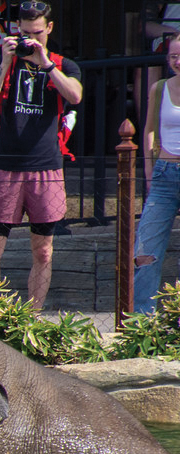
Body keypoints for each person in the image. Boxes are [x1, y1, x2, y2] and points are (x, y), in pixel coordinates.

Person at [0, 0, 82, 310]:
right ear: (16, 30)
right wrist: (7, 63)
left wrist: (45, 62)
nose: (31, 39)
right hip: (6, 166)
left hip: (46, 167)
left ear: (49, 28)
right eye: (25, 33)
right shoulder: (2, 62)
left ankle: (32, 319)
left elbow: (75, 95)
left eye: (37, 32)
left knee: (43, 250)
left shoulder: (63, 64)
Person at [133, 39, 180, 314]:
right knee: (146, 250)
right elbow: (148, 129)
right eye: (173, 56)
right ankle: (142, 323)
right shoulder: (160, 88)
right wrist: (150, 170)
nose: (177, 62)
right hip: (164, 173)